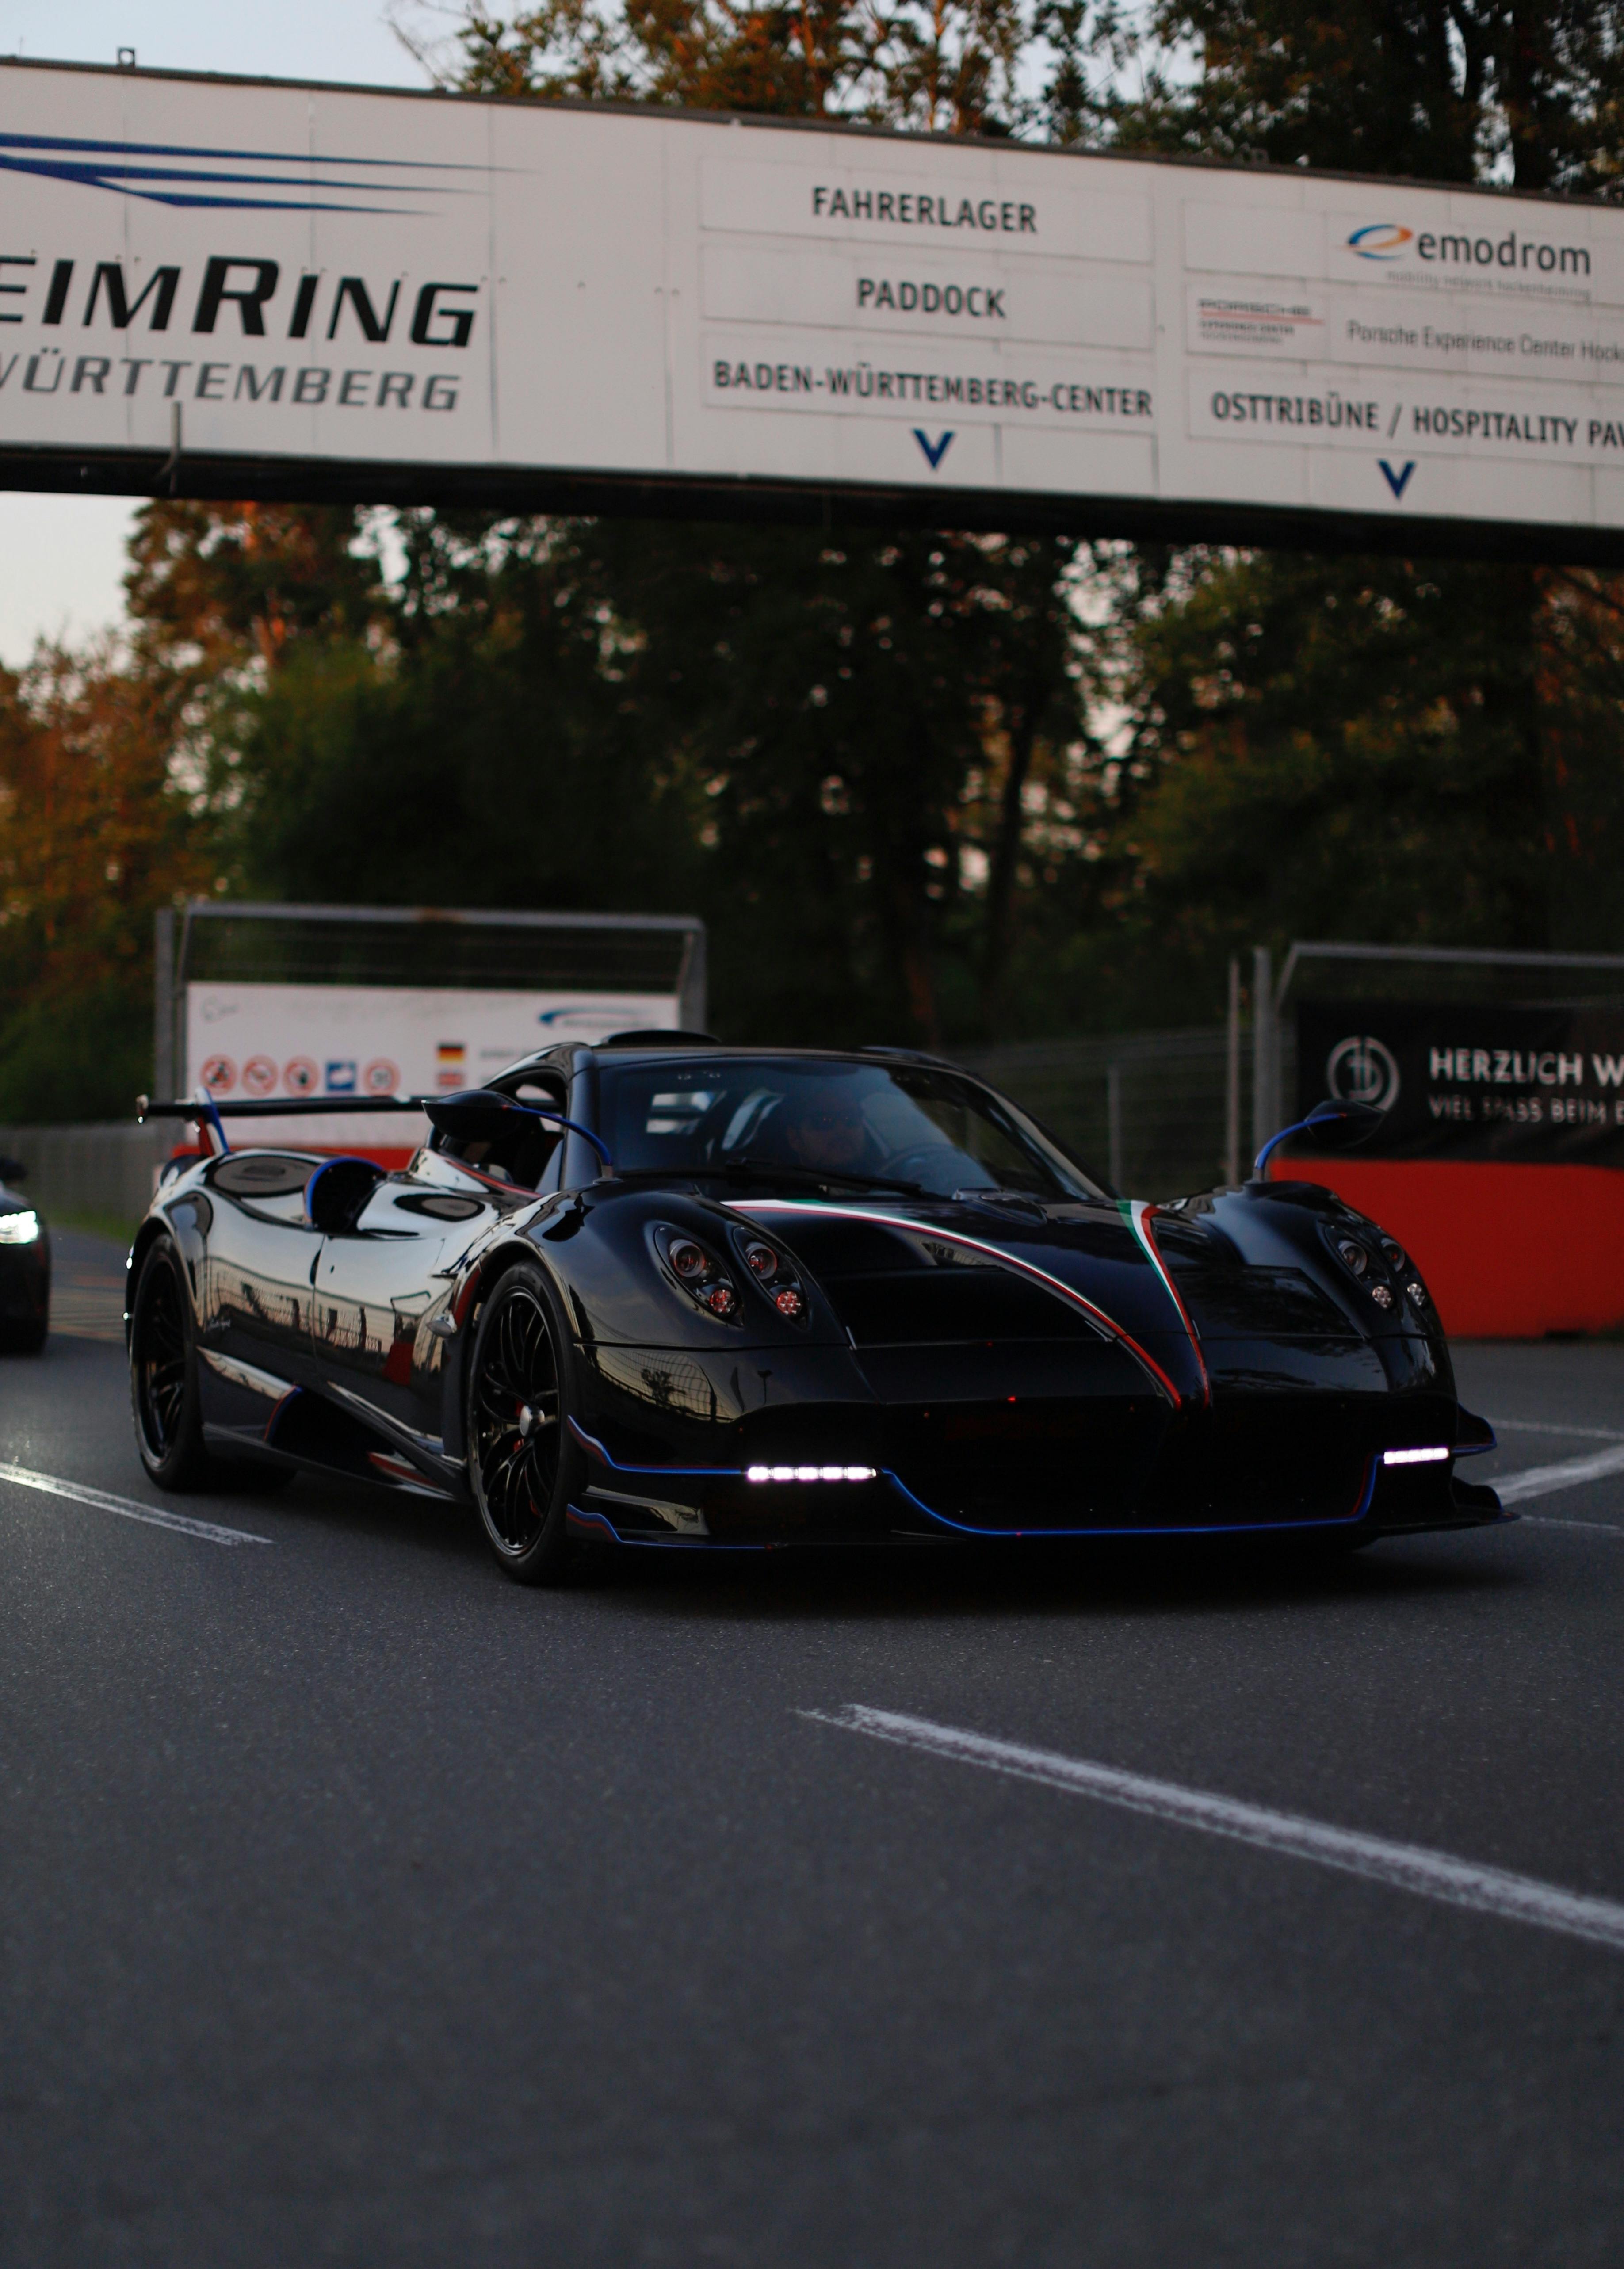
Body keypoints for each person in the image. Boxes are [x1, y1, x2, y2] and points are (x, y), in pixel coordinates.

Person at [777, 1084, 872, 1175]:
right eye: (824, 1121)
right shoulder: (774, 1187)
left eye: (851, 1118)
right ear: (794, 1138)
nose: (841, 1130)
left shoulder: (881, 1184)